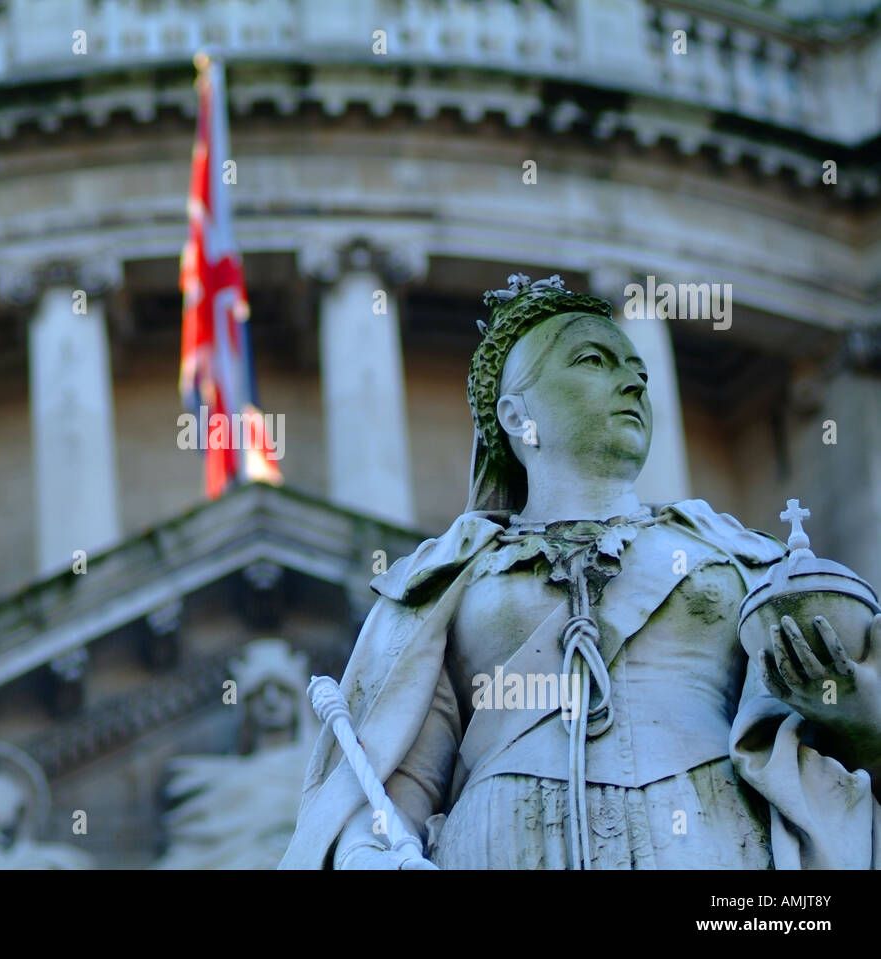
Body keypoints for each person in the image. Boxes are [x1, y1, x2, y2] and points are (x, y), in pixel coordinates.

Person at [280, 274, 881, 869]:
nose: (632, 384)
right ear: (517, 416)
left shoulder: (737, 559)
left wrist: (854, 712)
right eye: (594, 361)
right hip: (502, 846)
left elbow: (830, 744)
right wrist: (369, 853)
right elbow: (387, 790)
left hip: (710, 844)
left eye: (638, 373)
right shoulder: (448, 580)